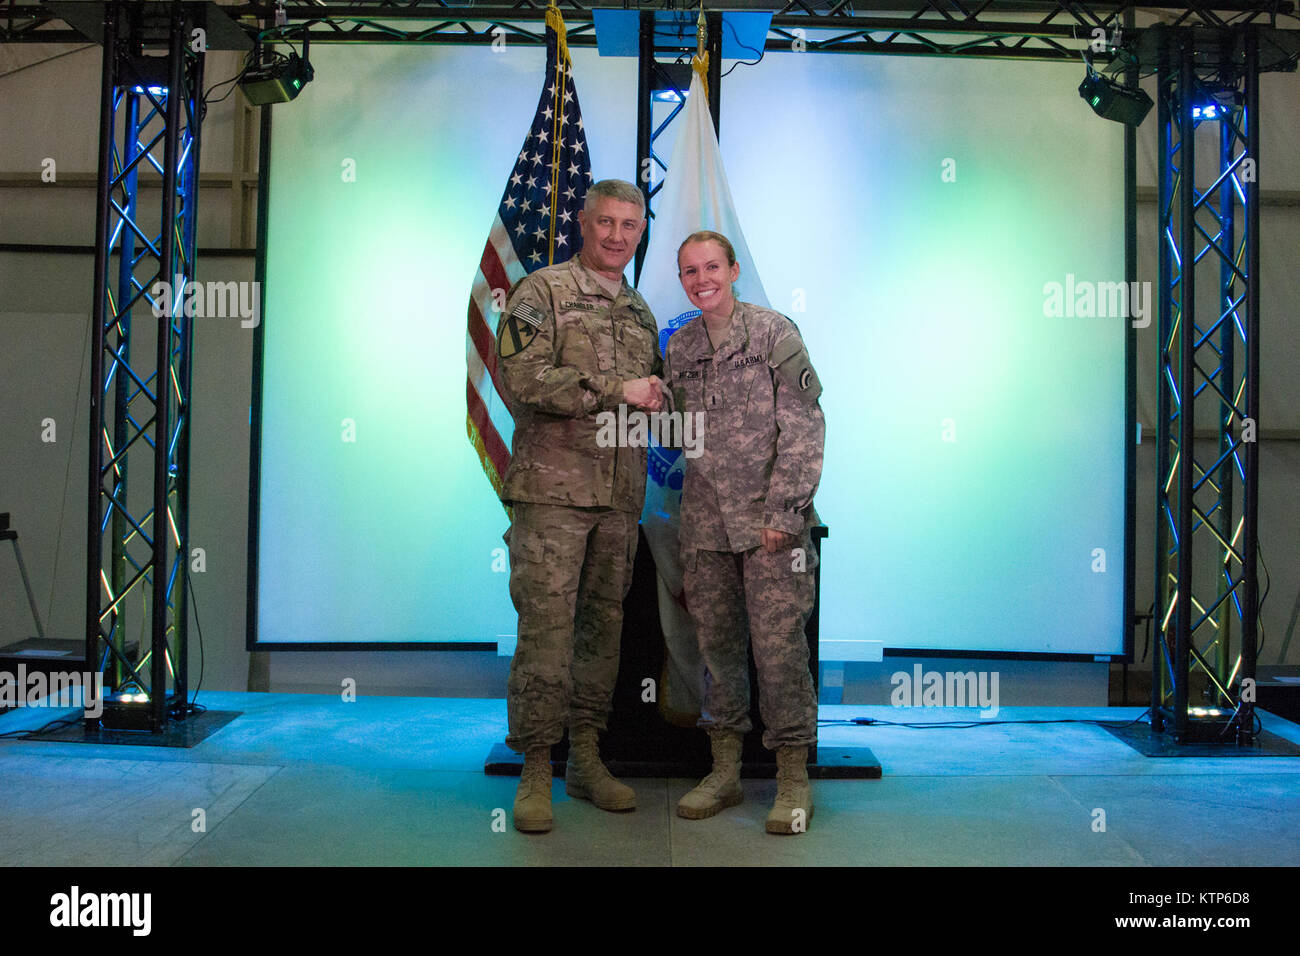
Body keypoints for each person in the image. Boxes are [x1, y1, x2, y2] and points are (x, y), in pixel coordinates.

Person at [495, 179, 665, 834]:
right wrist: (614, 388)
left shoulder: (643, 314)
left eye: (631, 225)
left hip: (619, 497)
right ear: (584, 223)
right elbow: (524, 376)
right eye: (607, 223)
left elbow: (652, 397)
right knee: (546, 629)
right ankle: (537, 767)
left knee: (603, 628)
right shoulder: (542, 293)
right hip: (552, 493)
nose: (618, 235)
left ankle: (586, 759)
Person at [663, 230, 824, 834]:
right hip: (705, 527)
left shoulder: (774, 333)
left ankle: (791, 780)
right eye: (688, 271)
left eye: (711, 267)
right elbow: (682, 436)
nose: (701, 279)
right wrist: (656, 411)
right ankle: (725, 771)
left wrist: (785, 512)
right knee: (718, 651)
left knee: (779, 652)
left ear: (733, 270)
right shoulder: (679, 346)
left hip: (770, 529)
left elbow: (805, 426)